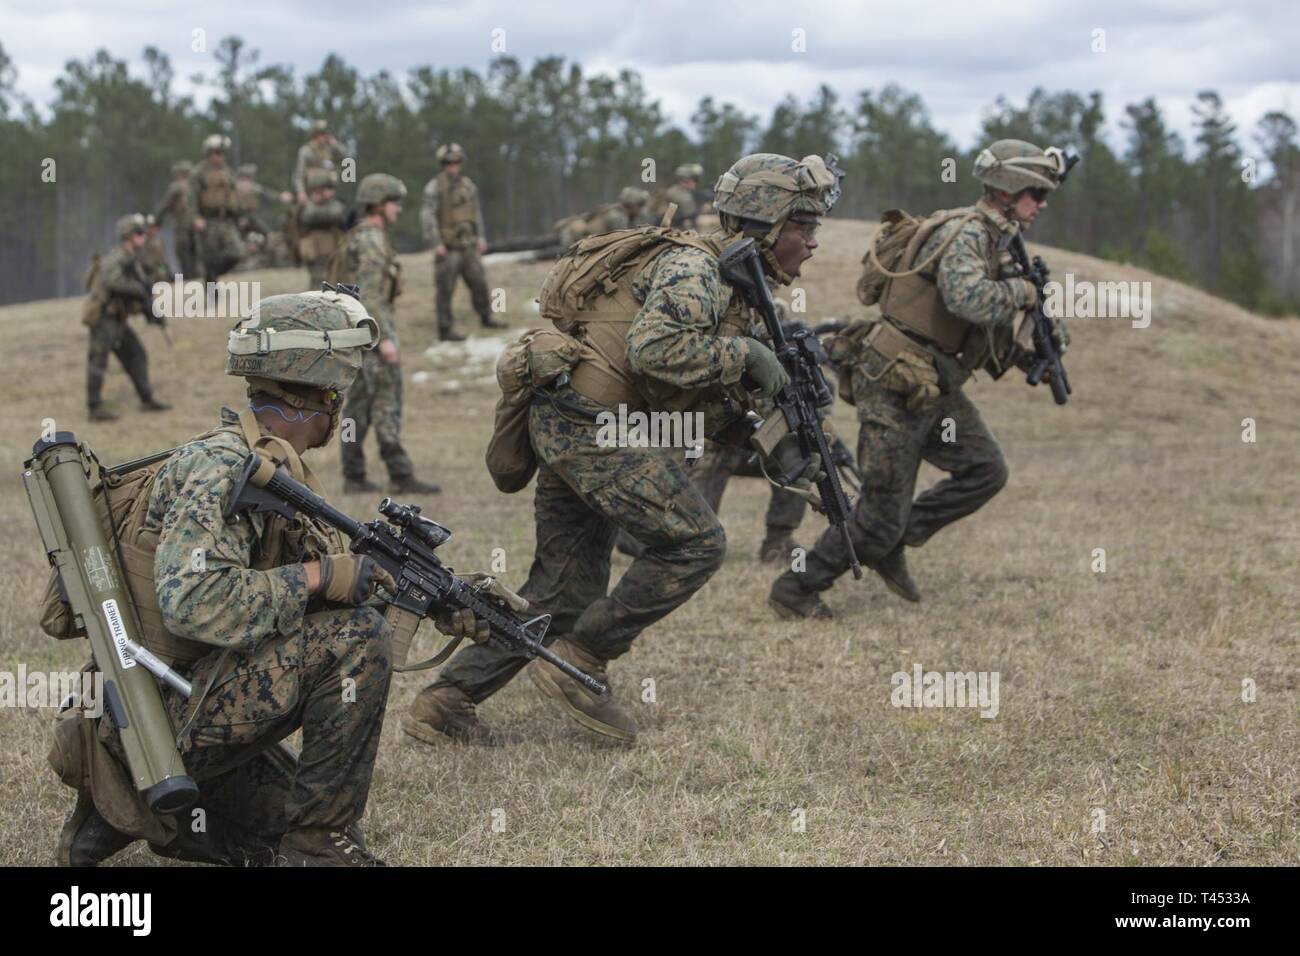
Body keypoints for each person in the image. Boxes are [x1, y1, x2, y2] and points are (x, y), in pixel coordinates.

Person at [403, 152, 839, 746]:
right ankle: (581, 660)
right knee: (697, 543)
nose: (813, 243)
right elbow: (653, 351)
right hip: (594, 428)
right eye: (804, 226)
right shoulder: (698, 271)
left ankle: (446, 701)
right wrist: (749, 357)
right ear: (767, 223)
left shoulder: (737, 284)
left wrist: (777, 440)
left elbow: (693, 392)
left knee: (563, 586)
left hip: (581, 421)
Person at [57, 288, 495, 867]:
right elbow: (192, 601)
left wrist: (447, 599)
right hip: (147, 719)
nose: (340, 407)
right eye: (338, 393)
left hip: (178, 702)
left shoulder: (268, 468)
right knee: (357, 641)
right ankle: (310, 847)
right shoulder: (222, 467)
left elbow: (333, 590)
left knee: (277, 829)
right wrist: (318, 578)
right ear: (318, 391)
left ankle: (121, 818)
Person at [769, 139, 1073, 618]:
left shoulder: (999, 241)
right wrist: (1023, 292)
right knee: (876, 513)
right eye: (1036, 192)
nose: (1042, 204)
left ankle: (892, 539)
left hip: (935, 380)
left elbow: (976, 326)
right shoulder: (967, 234)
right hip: (895, 379)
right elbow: (967, 300)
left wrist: (1029, 350)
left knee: (984, 470)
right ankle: (796, 589)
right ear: (1009, 190)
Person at [334, 173, 440, 496]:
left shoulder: (361, 237)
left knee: (358, 405)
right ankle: (400, 473)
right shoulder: (371, 241)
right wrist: (384, 339)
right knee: (387, 401)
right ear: (378, 205)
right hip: (370, 333)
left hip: (356, 333)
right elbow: (371, 295)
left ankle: (353, 474)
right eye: (394, 202)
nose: (398, 209)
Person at [84, 213, 170, 421]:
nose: (143, 237)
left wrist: (150, 312)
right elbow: (114, 282)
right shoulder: (116, 258)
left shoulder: (133, 261)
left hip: (118, 319)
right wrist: (139, 290)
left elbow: (136, 294)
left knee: (137, 355)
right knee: (98, 361)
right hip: (105, 318)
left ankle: (147, 399)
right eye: (139, 233)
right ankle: (94, 408)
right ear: (128, 236)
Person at [421, 143, 505, 341]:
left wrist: (481, 237)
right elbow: (427, 216)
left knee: (480, 282)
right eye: (449, 162)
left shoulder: (468, 185)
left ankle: (486, 317)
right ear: (443, 164)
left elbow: (476, 213)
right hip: (448, 247)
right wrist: (435, 242)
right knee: (445, 289)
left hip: (468, 245)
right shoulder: (435, 187)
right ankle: (445, 329)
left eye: (457, 161)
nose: (454, 166)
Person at [187, 134, 244, 281]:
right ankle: (212, 290)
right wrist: (195, 218)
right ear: (210, 154)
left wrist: (240, 214)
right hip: (208, 220)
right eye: (218, 153)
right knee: (209, 258)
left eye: (222, 154)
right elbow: (191, 198)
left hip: (226, 220)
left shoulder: (227, 171)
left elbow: (234, 194)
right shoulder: (199, 172)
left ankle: (213, 275)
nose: (221, 157)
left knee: (237, 253)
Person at [297, 168, 348, 290]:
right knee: (318, 283)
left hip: (333, 249)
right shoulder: (308, 208)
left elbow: (339, 217)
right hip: (316, 250)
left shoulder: (334, 206)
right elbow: (309, 218)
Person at [155, 160, 196, 278]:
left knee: (183, 251)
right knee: (195, 252)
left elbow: (165, 205)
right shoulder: (196, 186)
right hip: (197, 224)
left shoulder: (177, 187)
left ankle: (190, 277)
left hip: (182, 225)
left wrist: (158, 221)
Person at [292, 119, 346, 204]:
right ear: (315, 135)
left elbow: (346, 159)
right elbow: (299, 175)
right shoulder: (306, 151)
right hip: (311, 194)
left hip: (328, 194)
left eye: (326, 134)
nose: (325, 137)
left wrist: (335, 145)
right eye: (322, 134)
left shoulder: (331, 149)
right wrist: (301, 192)